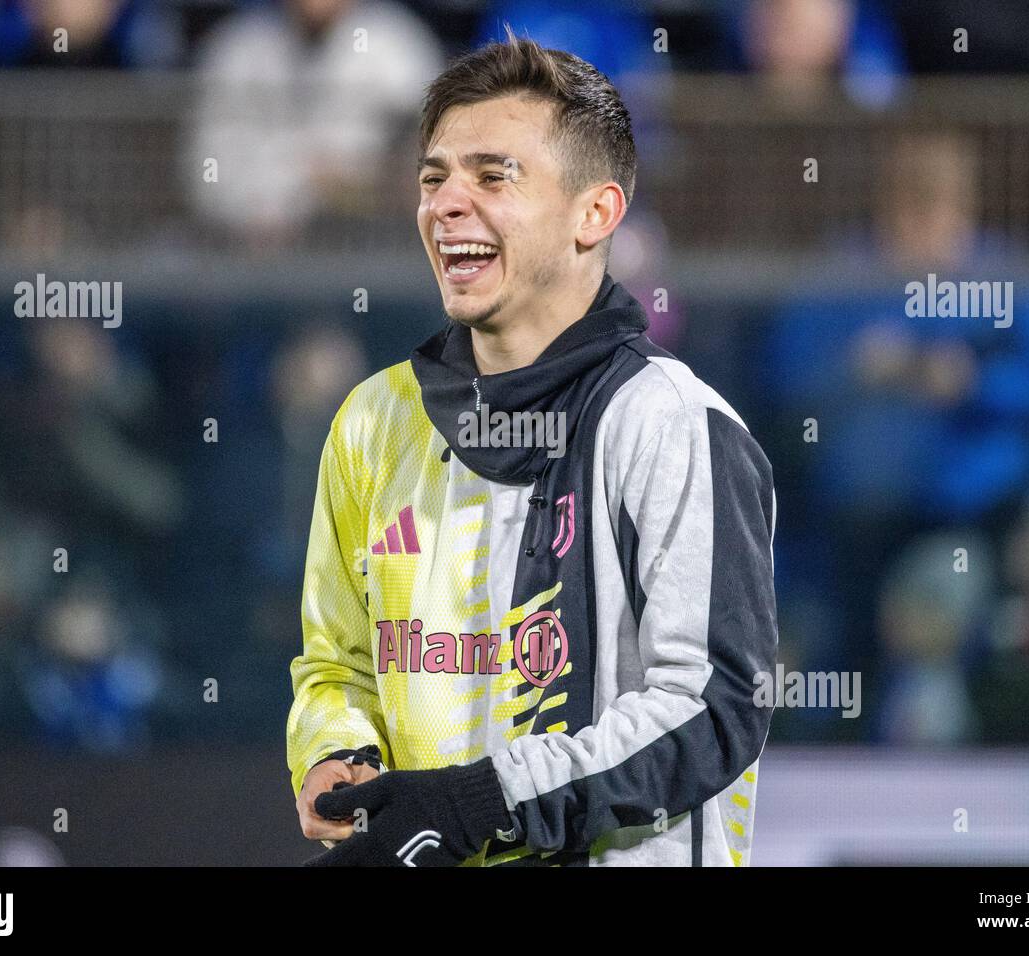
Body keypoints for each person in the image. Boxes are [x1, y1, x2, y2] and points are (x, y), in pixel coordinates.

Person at [287, 31, 779, 867]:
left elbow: (712, 705)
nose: (446, 204)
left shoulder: (672, 425)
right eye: (434, 178)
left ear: (597, 213)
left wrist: (475, 804)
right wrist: (344, 754)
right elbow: (336, 661)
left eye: (493, 175)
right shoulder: (371, 422)